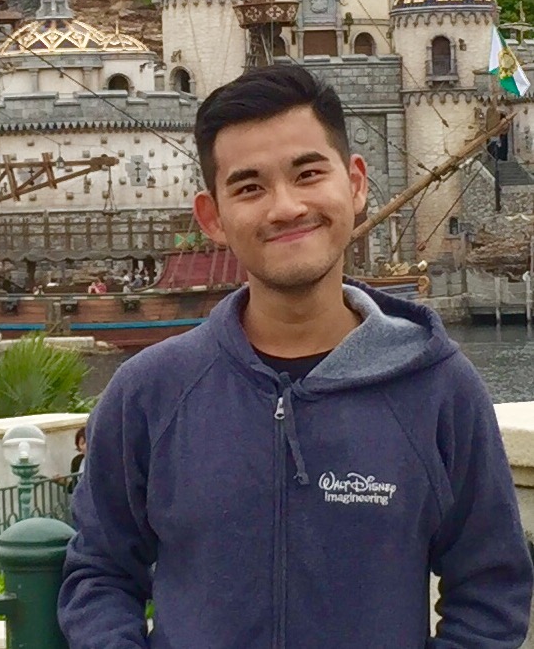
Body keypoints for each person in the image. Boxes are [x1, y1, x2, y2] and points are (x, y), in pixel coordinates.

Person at [59, 64, 532, 649]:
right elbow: (99, 570)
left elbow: (490, 589)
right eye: (249, 187)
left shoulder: (439, 389)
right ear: (212, 217)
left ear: (355, 184)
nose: (285, 207)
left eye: (308, 174)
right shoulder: (149, 393)